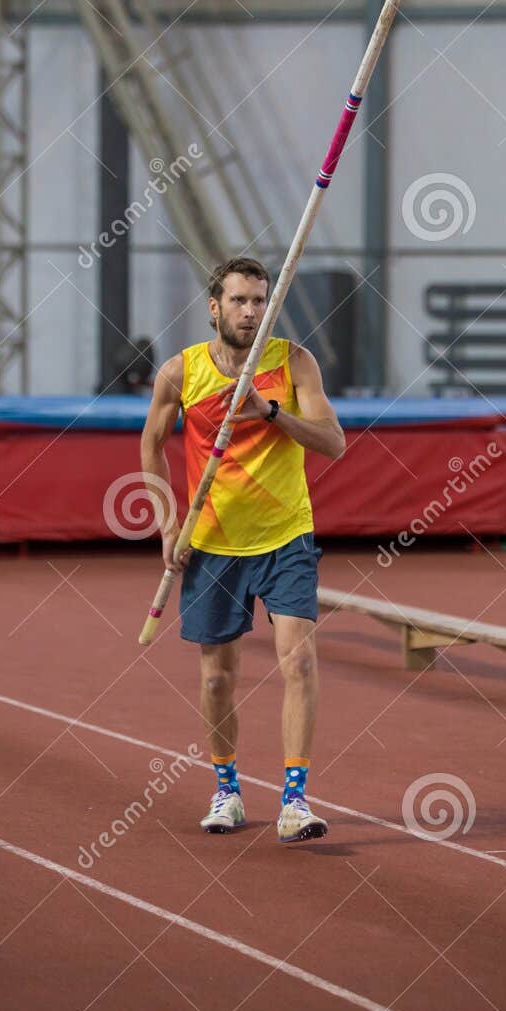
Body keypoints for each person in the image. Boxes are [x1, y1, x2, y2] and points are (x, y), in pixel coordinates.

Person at [140, 256, 345, 843]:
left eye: (260, 301)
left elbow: (334, 443)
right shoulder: (181, 373)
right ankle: (227, 789)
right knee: (216, 680)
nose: (251, 311)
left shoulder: (292, 363)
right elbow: (151, 448)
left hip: (286, 536)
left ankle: (295, 801)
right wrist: (166, 524)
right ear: (214, 307)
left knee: (299, 662)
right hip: (213, 542)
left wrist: (271, 412)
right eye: (239, 300)